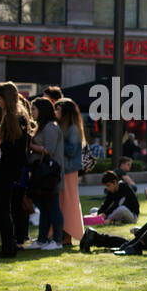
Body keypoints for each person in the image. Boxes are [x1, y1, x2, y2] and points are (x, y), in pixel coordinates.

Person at [0, 82, 30, 259]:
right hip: (9, 168)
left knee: (0, 208)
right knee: (0, 207)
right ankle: (5, 244)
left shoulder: (11, 117)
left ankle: (6, 246)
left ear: (5, 98)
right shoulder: (18, 116)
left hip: (5, 168)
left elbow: (8, 147)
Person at [23, 96, 65, 251]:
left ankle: (57, 240)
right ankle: (42, 239)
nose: (31, 112)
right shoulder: (42, 126)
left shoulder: (50, 127)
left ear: (42, 110)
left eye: (34, 108)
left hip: (50, 175)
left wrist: (32, 146)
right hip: (41, 174)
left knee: (53, 207)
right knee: (46, 207)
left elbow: (49, 150)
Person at [56, 98, 86, 246]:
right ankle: (63, 234)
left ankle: (68, 235)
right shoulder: (67, 128)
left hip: (69, 171)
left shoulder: (72, 129)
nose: (56, 112)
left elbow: (71, 150)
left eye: (58, 109)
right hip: (65, 170)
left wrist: (58, 140)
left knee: (68, 203)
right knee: (63, 203)